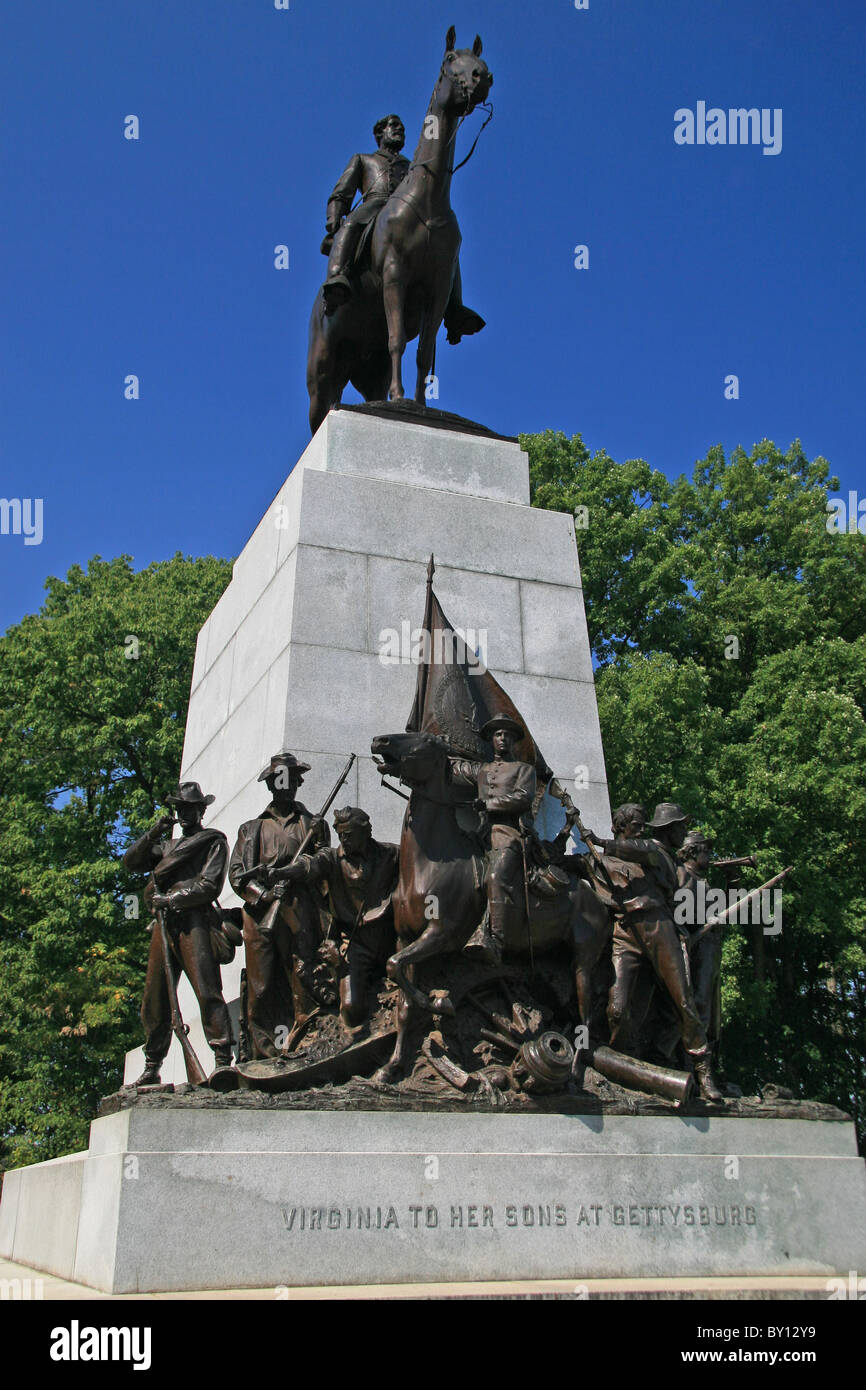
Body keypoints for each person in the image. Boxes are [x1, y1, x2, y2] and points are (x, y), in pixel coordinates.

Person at [585, 802, 723, 1102]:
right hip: (625, 932)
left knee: (683, 1001)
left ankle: (703, 1068)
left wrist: (601, 841)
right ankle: (620, 1068)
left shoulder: (657, 851)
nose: (684, 833)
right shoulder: (650, 850)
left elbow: (633, 848)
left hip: (657, 927)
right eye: (681, 827)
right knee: (617, 1010)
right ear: (670, 829)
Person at [321, 113, 484, 342]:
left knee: (445, 242)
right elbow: (341, 193)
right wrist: (334, 217)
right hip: (375, 205)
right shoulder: (363, 159)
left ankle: (454, 307)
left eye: (402, 128)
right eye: (393, 126)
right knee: (352, 224)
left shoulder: (413, 166)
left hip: (407, 213)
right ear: (380, 133)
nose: (399, 130)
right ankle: (337, 279)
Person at [123, 781, 232, 1085]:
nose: (184, 814)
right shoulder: (165, 848)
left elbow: (210, 885)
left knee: (207, 990)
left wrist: (171, 899)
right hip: (163, 925)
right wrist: (154, 831)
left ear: (201, 810)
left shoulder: (213, 842)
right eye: (179, 809)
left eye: (190, 808)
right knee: (154, 999)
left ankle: (223, 1058)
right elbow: (130, 862)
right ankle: (152, 1064)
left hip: (194, 921)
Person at [228, 752, 330, 1058]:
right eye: (280, 778)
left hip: (300, 907)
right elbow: (237, 875)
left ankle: (306, 1043)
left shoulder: (314, 823)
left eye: (292, 777)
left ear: (298, 782)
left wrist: (300, 870)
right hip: (261, 913)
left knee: (302, 974)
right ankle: (265, 1053)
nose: (287, 783)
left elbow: (326, 859)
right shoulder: (251, 829)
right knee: (261, 983)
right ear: (271, 784)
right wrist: (264, 895)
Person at [281, 806, 397, 1030]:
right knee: (351, 1010)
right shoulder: (332, 858)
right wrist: (282, 872)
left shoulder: (391, 854)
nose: (344, 840)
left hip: (390, 939)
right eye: (340, 835)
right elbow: (309, 865)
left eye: (349, 835)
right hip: (356, 946)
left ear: (366, 831)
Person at [449, 715, 536, 966]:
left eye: (508, 735)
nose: (503, 739)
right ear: (491, 739)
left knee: (496, 878)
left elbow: (523, 798)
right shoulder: (483, 770)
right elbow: (453, 769)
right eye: (498, 734)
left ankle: (496, 942)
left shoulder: (524, 770)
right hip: (480, 835)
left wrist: (488, 804)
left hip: (509, 835)